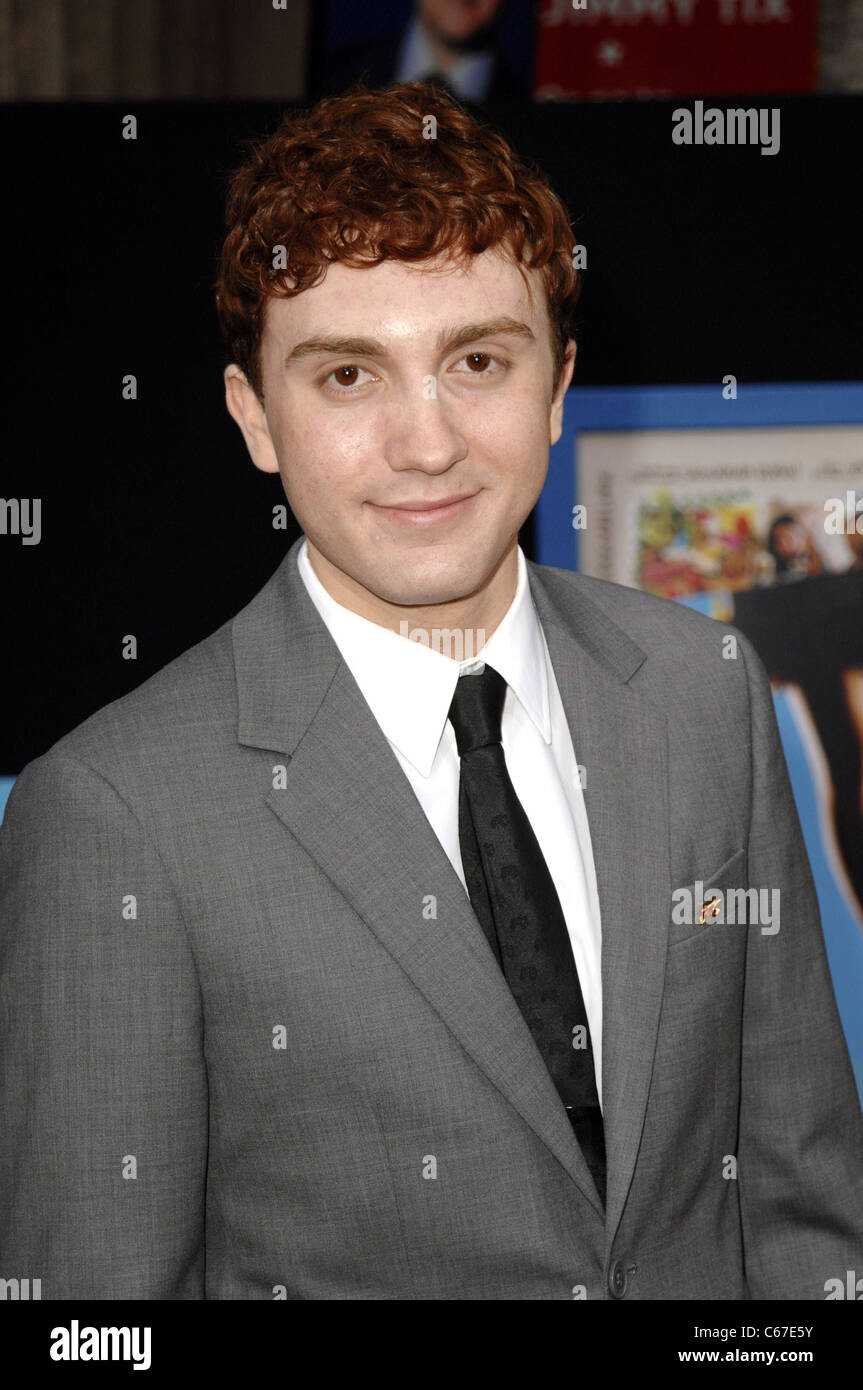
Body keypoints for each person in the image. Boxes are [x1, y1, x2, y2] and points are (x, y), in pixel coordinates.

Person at [1, 80, 861, 1300]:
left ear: (556, 386)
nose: (427, 443)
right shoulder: (114, 812)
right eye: (348, 376)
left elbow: (803, 1201)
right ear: (255, 416)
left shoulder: (699, 689)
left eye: (476, 360)